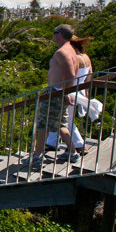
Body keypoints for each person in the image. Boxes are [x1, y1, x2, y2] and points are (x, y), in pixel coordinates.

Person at [27, 24, 79, 167]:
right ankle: (73, 152)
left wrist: (65, 92)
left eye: (54, 32)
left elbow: (71, 75)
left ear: (60, 35)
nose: (53, 35)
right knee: (60, 123)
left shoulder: (62, 52)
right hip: (58, 92)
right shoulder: (72, 51)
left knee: (43, 123)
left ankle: (37, 156)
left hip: (55, 93)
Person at [45, 35, 93, 153]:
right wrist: (86, 93)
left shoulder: (73, 59)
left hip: (68, 92)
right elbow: (89, 77)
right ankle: (51, 142)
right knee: (57, 117)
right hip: (79, 91)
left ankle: (79, 145)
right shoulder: (85, 57)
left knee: (65, 121)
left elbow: (66, 77)